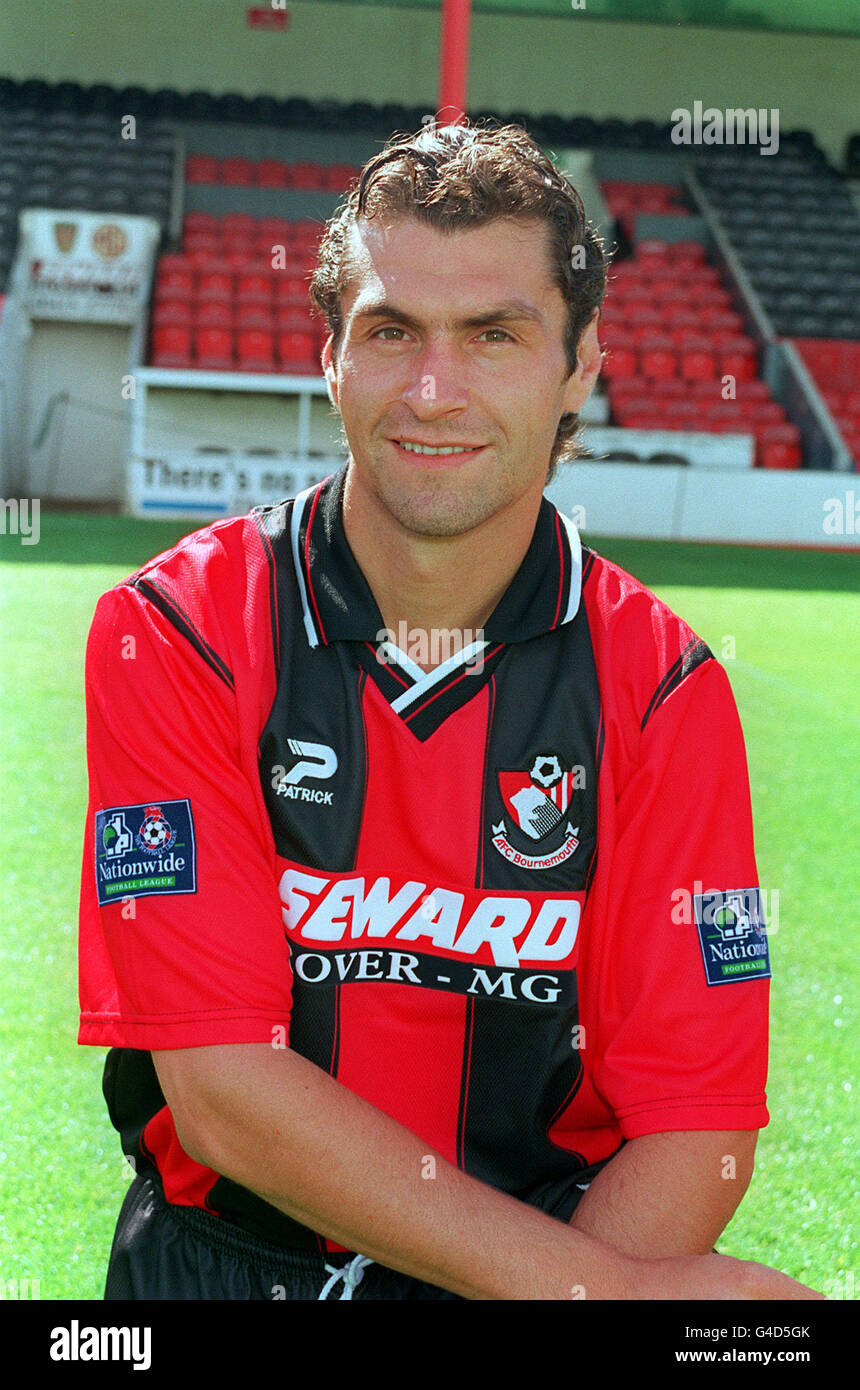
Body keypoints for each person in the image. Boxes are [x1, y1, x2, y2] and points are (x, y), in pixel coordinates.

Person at [78, 121, 819, 1301]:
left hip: (546, 1256)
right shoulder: (177, 629)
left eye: (492, 335)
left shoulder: (666, 687)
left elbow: (695, 1120)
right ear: (330, 354)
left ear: (579, 366)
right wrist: (603, 1298)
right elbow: (222, 1096)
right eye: (390, 332)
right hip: (227, 1267)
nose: (433, 391)